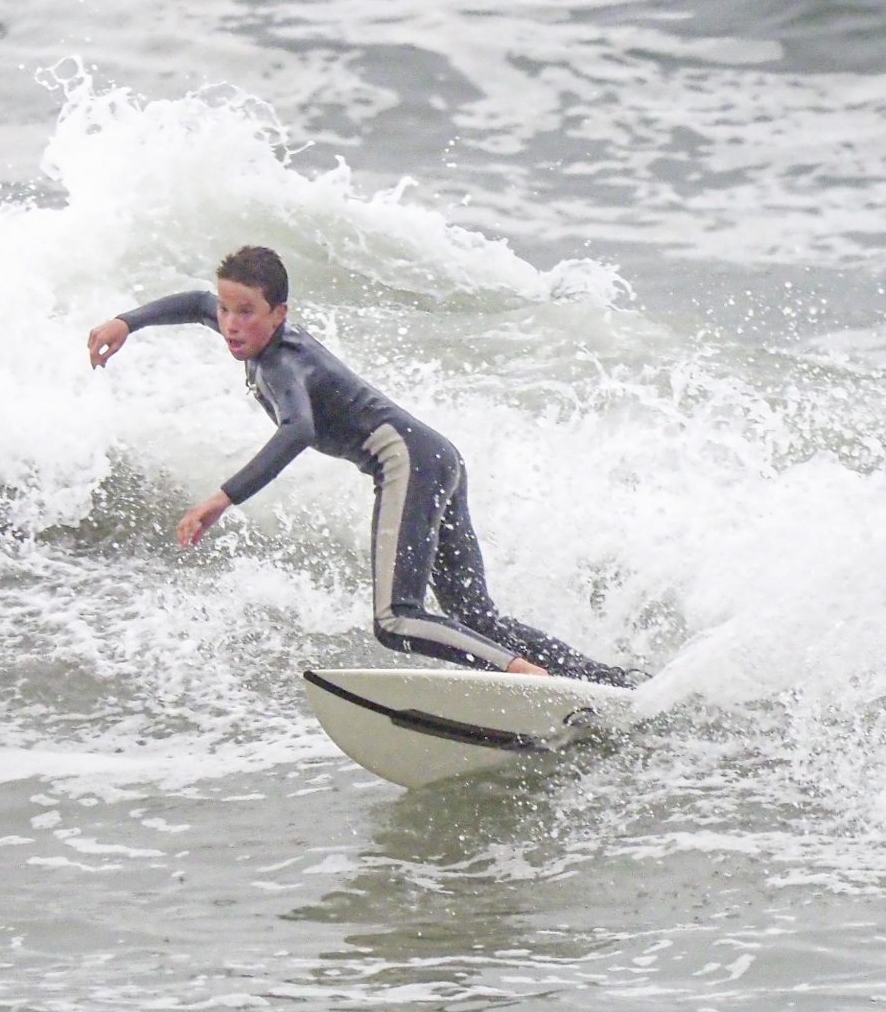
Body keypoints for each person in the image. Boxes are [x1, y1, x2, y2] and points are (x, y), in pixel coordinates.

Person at [87, 246, 637, 686]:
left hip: (408, 460)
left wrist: (221, 498)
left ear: (279, 314)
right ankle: (605, 683)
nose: (230, 324)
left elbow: (298, 430)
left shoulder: (282, 365)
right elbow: (193, 303)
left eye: (246, 312)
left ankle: (526, 677)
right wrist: (125, 323)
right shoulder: (240, 324)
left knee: (397, 620)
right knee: (475, 617)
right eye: (226, 310)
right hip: (436, 455)